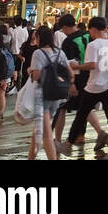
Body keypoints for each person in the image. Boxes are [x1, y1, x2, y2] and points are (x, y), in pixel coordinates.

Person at [65, 16, 108, 158]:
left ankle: (68, 145)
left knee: (81, 115)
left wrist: (76, 66)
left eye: (90, 30)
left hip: (94, 86)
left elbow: (92, 65)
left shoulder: (93, 45)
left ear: (94, 29)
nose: (89, 33)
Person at [26, 26, 70, 161]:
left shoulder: (38, 53)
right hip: (56, 96)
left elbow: (36, 76)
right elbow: (70, 73)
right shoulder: (59, 52)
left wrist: (30, 71)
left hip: (42, 96)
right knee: (39, 129)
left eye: (36, 37)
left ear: (40, 38)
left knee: (45, 133)